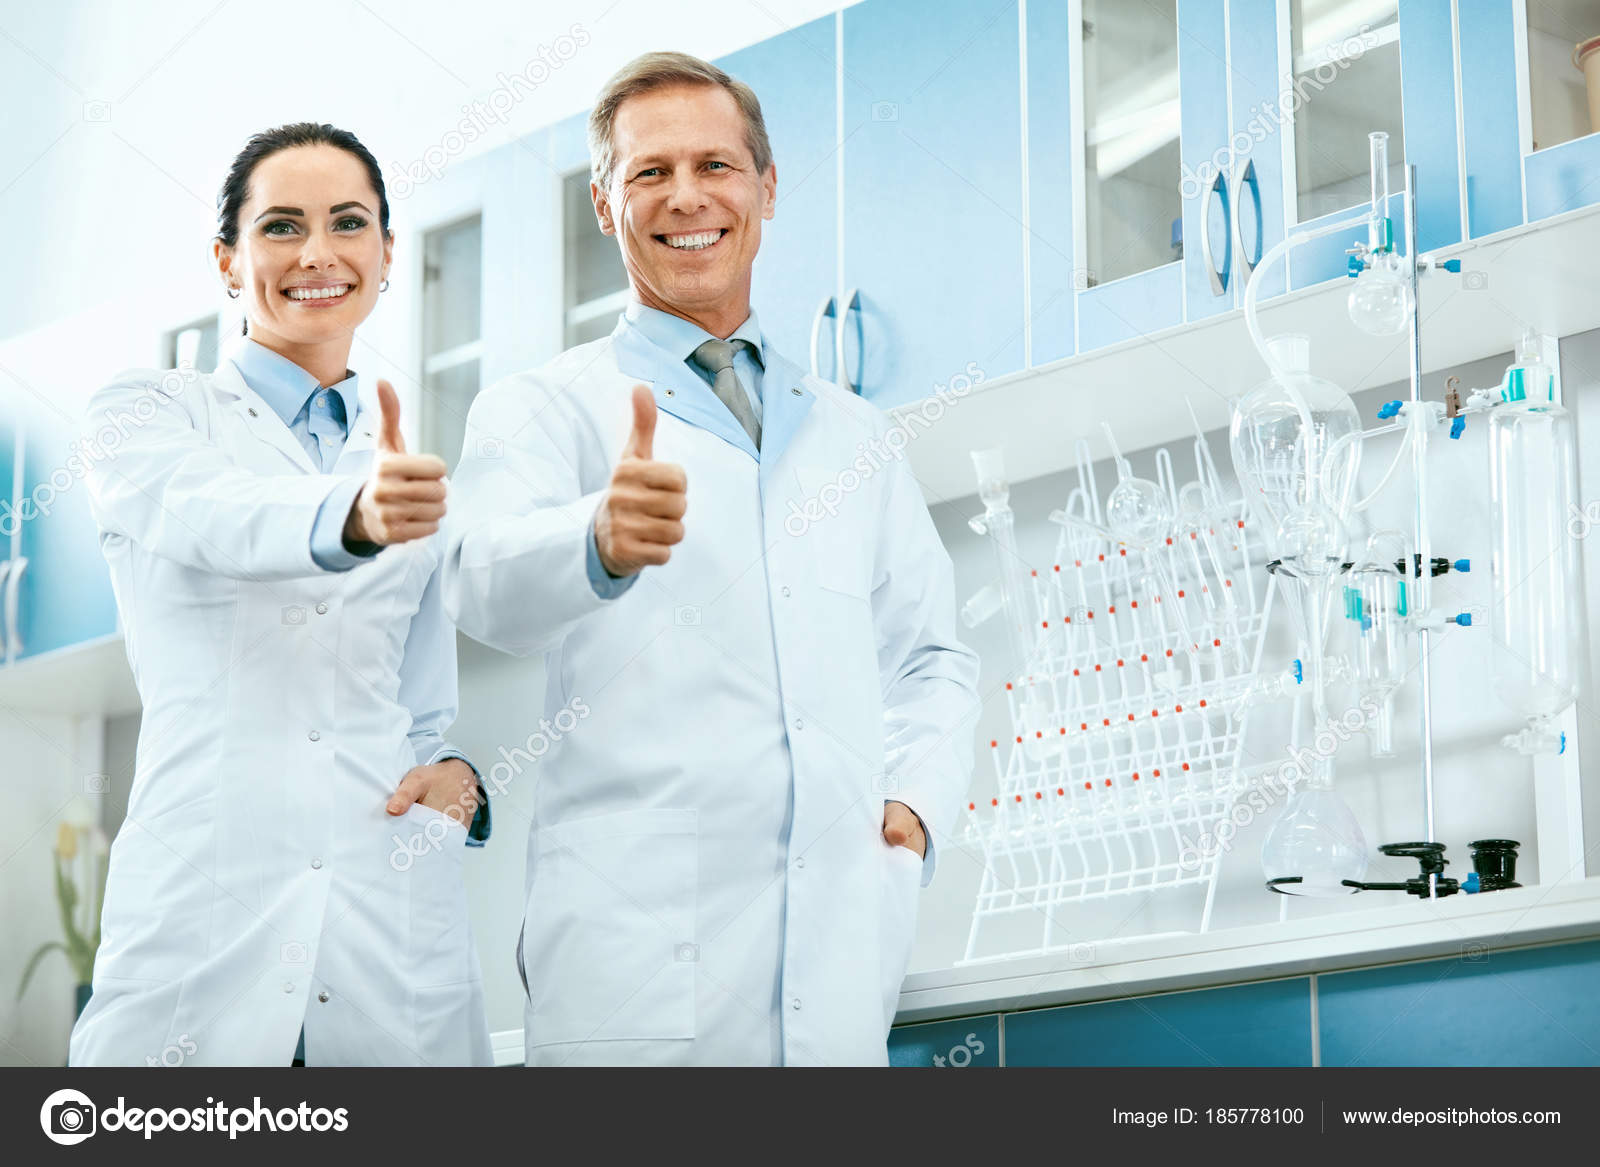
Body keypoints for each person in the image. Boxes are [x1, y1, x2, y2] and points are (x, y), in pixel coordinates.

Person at [443, 53, 980, 1066]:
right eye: (648, 174)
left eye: (715, 166)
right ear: (605, 204)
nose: (686, 197)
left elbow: (933, 659)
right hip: (633, 978)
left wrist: (911, 803)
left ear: (765, 189)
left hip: (832, 971)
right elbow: (480, 583)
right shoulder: (543, 408)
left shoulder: (853, 431)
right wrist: (595, 540)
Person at [69, 123, 492, 1067]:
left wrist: (454, 775)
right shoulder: (146, 413)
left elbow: (420, 706)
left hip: (386, 944)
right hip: (200, 926)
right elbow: (210, 512)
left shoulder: (407, 471)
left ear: (386, 257)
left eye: (349, 223)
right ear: (228, 259)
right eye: (280, 227)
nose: (317, 253)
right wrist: (352, 515)